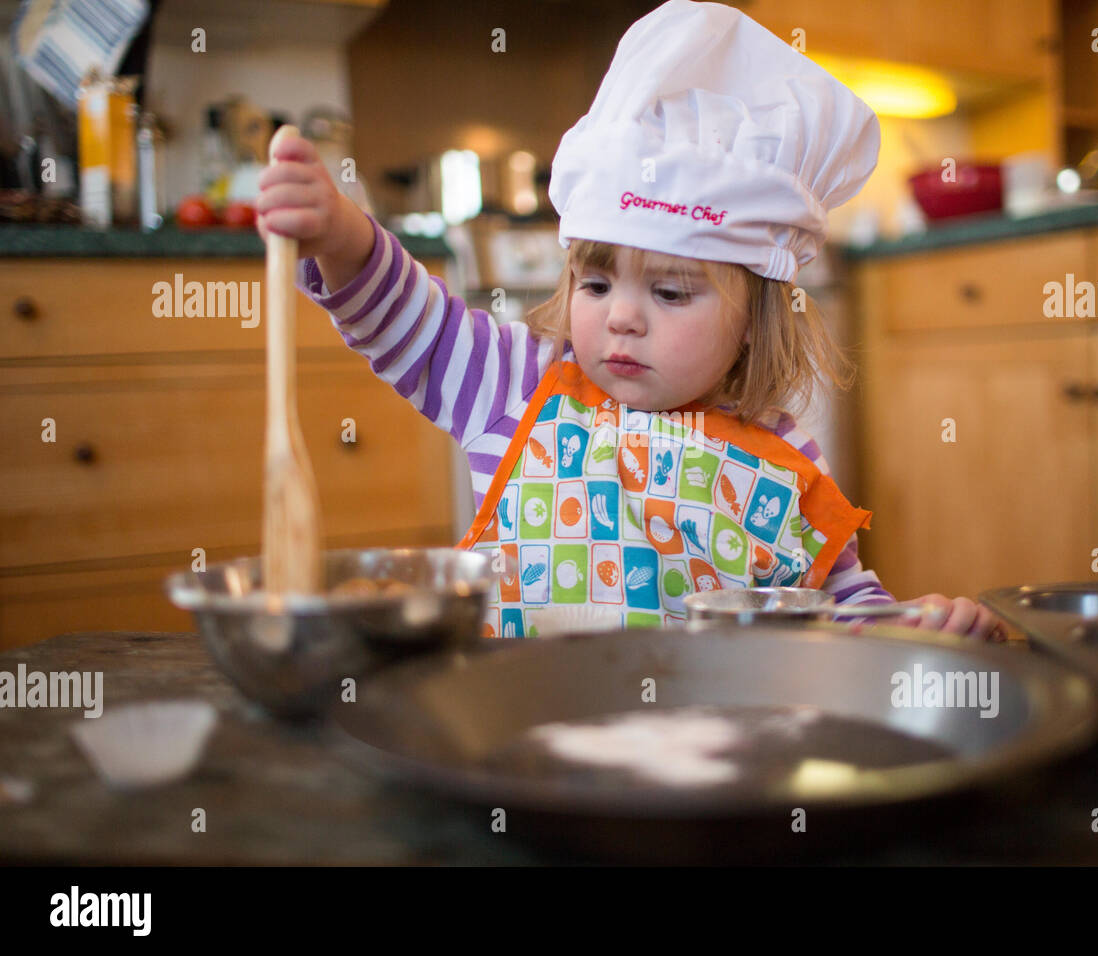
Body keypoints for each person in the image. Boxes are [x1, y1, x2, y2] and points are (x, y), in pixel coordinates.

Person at [255, 0, 1001, 640]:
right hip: (517, 744)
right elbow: (407, 320)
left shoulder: (789, 461)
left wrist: (911, 628)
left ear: (754, 316)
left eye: (672, 294)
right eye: (599, 282)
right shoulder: (516, 385)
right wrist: (341, 233)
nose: (622, 320)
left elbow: (834, 614)